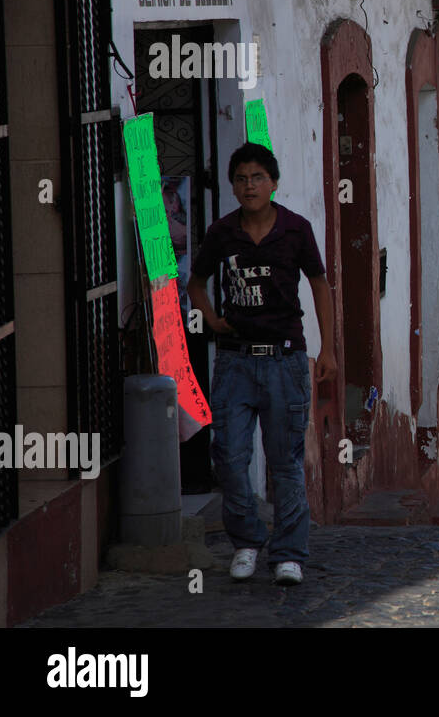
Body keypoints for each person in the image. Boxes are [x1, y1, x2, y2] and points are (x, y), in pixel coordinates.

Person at [189, 143, 336, 586]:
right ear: (233, 185)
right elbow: (196, 283)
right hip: (234, 364)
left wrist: (328, 349)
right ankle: (247, 543)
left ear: (273, 183)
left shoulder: (296, 230)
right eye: (240, 178)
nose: (249, 185)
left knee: (285, 461)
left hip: (285, 362)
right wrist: (213, 319)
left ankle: (289, 553)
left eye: (257, 177)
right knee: (230, 457)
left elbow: (320, 285)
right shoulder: (222, 233)